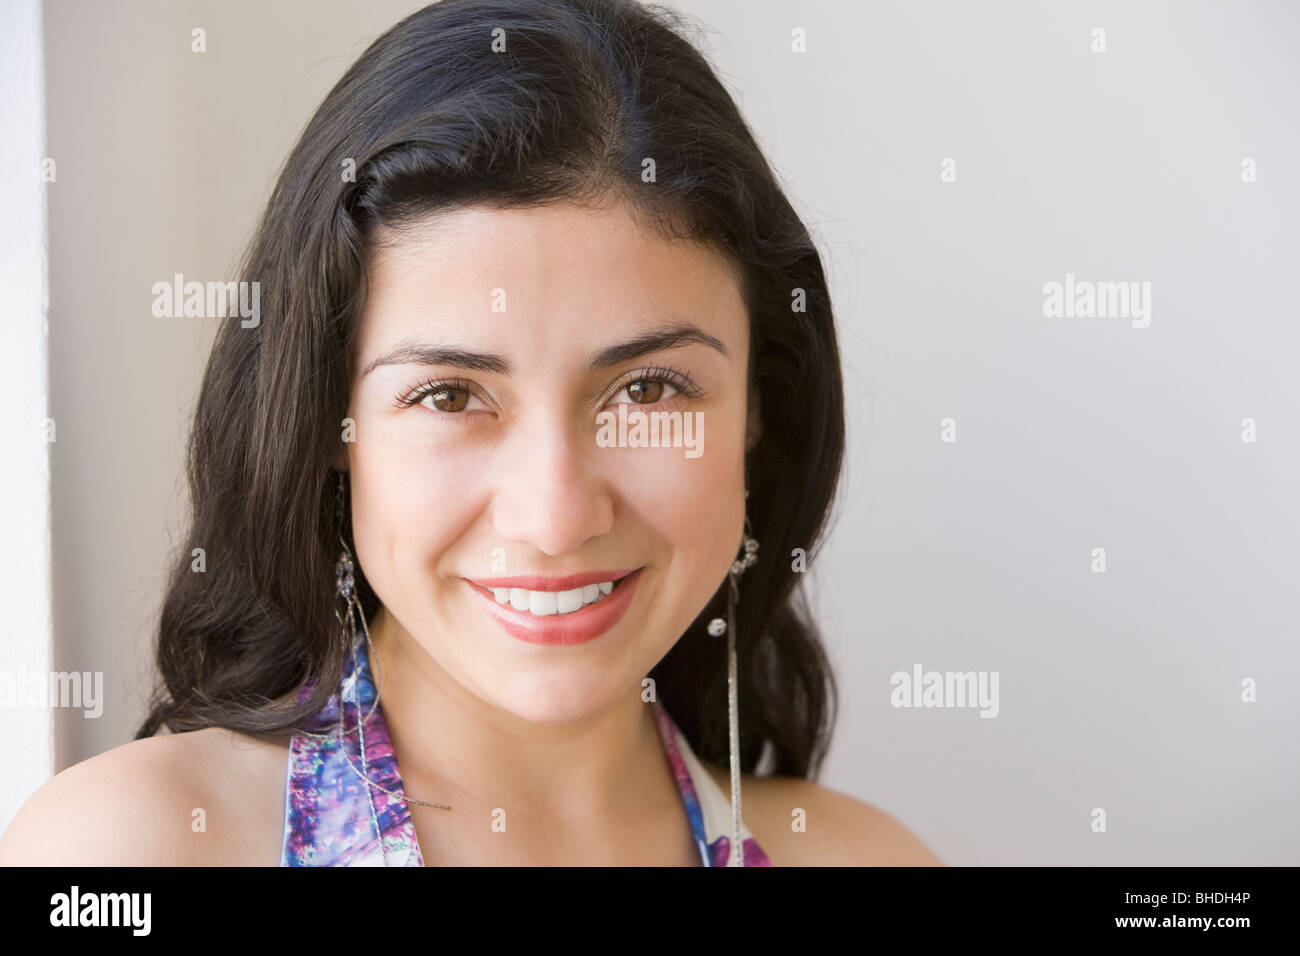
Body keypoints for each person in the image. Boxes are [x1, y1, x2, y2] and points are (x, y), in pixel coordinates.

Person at [0, 0, 941, 866]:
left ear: (759, 410)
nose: (555, 516)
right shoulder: (132, 849)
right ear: (330, 423)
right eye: (450, 396)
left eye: (648, 388)